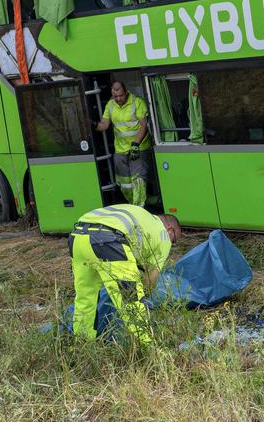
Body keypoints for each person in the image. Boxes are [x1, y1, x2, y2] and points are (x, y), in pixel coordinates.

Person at [68, 204, 181, 344]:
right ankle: (147, 348)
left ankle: (83, 345)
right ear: (170, 230)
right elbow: (150, 278)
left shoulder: (143, 217)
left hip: (78, 236)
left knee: (85, 299)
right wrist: (145, 294)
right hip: (109, 240)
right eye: (175, 240)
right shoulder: (164, 236)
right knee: (132, 301)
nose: (172, 243)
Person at [95, 81, 153, 205]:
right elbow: (104, 125)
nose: (118, 99)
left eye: (120, 95)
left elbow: (144, 125)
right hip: (120, 150)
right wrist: (93, 125)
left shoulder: (137, 102)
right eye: (115, 96)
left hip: (139, 147)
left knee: (138, 181)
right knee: (124, 183)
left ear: (126, 92)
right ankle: (133, 205)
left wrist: (136, 144)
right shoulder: (110, 105)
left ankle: (139, 210)